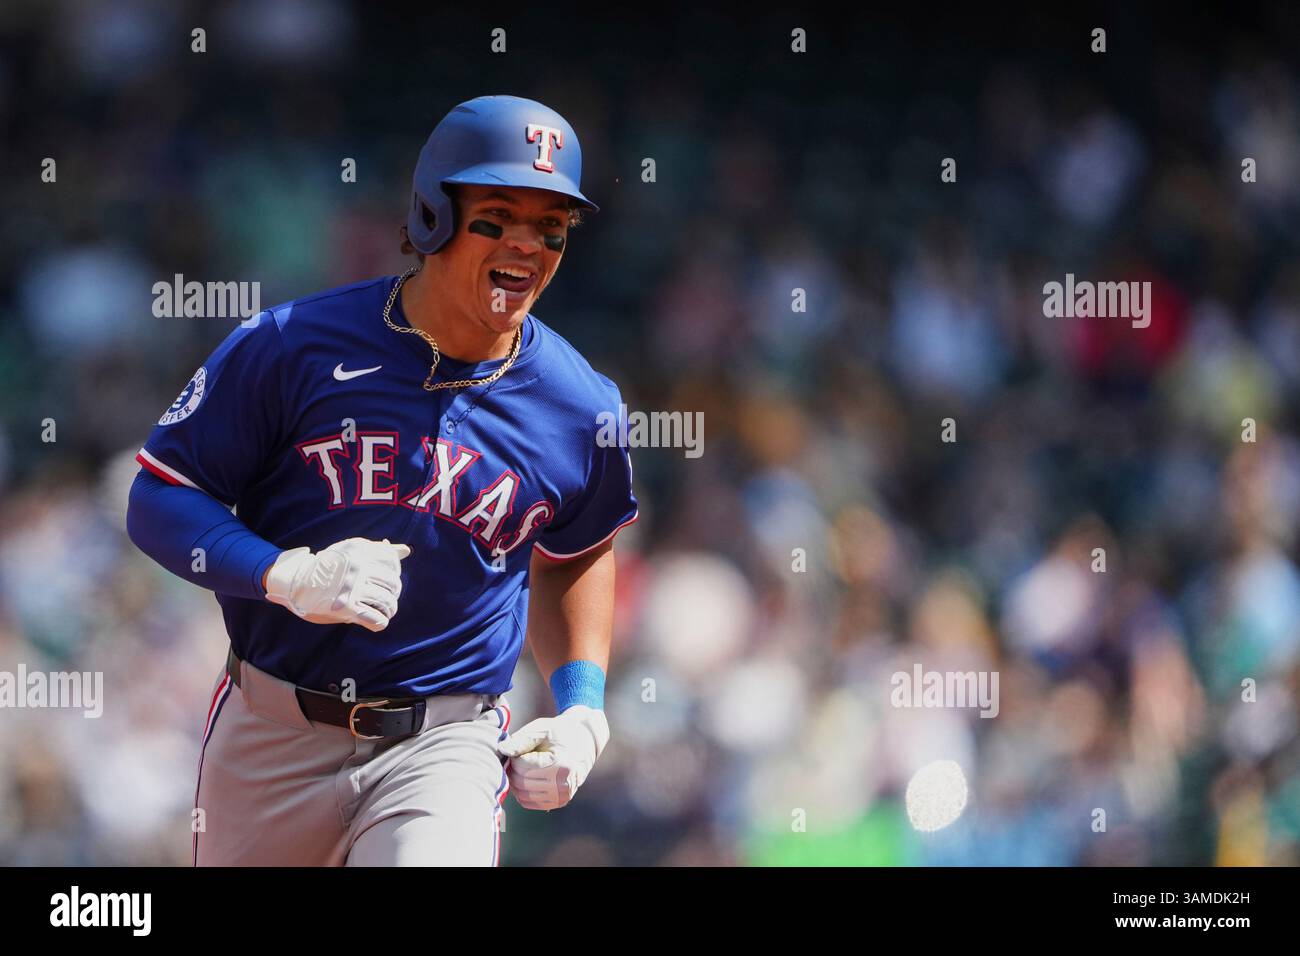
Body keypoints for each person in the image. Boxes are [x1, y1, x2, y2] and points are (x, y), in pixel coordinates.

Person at [126, 95, 637, 866]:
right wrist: (282, 573)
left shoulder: (578, 404)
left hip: (445, 744)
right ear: (432, 215)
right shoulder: (290, 347)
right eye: (497, 217)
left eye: (551, 228)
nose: (527, 246)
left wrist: (583, 710)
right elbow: (159, 497)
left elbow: (577, 549)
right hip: (271, 730)